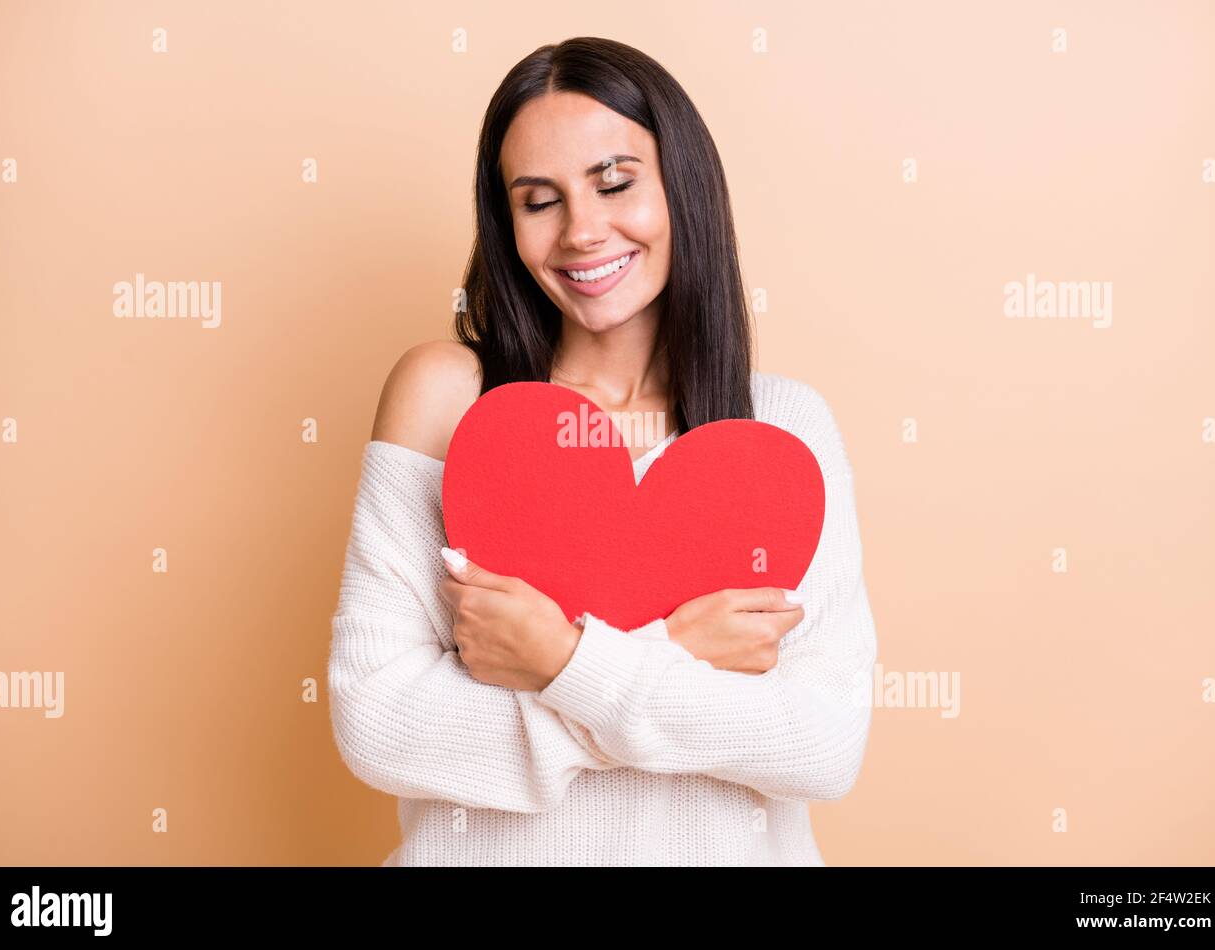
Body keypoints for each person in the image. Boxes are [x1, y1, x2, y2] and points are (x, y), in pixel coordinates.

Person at [328, 36, 877, 866]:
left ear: (681, 189)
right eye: (538, 200)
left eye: (615, 183)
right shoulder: (447, 399)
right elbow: (378, 724)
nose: (583, 231)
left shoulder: (784, 431)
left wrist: (558, 658)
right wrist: (679, 659)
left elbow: (822, 746)